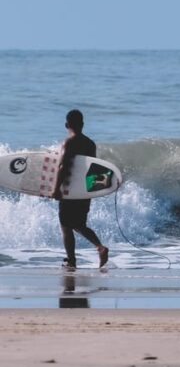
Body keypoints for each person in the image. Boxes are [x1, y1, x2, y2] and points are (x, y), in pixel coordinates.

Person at [51, 110, 109, 269]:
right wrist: (92, 192)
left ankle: (72, 260)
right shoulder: (90, 144)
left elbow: (63, 167)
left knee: (66, 225)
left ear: (66, 125)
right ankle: (99, 247)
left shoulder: (69, 143)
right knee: (78, 224)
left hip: (69, 190)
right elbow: (93, 168)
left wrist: (56, 188)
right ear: (83, 124)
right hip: (83, 190)